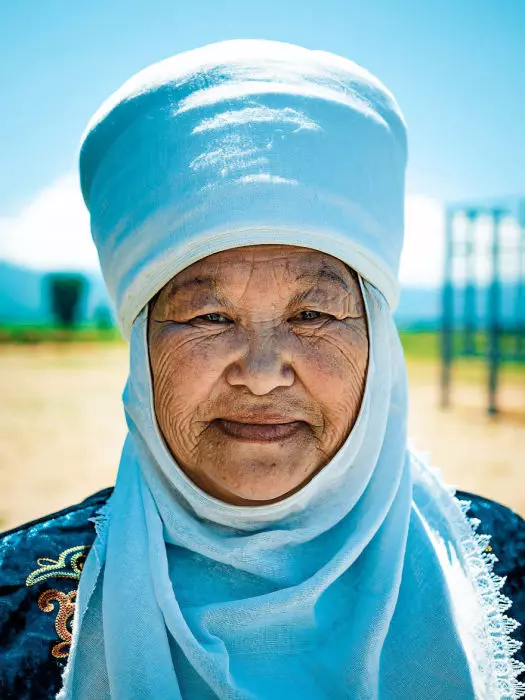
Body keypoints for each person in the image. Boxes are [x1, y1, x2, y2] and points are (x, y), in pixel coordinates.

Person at [1, 39, 524, 700]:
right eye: (206, 317)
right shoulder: (17, 605)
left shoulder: (507, 575)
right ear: (141, 346)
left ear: (377, 344)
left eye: (313, 314)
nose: (262, 372)